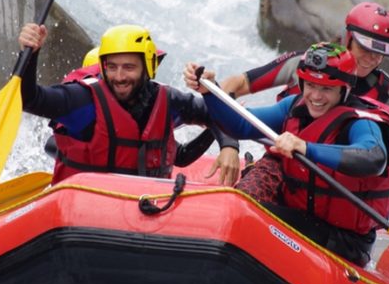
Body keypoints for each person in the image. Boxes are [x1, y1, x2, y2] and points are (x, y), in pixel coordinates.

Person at [186, 42, 389, 267]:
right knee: (241, 208)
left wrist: (307, 148)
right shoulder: (294, 106)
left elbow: (373, 158)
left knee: (246, 217)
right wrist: (210, 92)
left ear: (344, 89)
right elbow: (240, 125)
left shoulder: (361, 121)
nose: (316, 96)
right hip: (303, 216)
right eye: (310, 85)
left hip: (344, 240)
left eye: (326, 88)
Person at [182, 2, 389, 196]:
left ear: (344, 90)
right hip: (283, 163)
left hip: (340, 179)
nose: (372, 58)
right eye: (365, 48)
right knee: (247, 199)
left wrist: (337, 158)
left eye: (380, 53)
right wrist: (228, 143)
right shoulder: (304, 67)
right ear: (348, 39)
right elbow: (237, 105)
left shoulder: (380, 102)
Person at [18, 22, 240, 185]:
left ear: (147, 68)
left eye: (129, 67)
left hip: (147, 212)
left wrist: (229, 145)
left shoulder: (166, 100)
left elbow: (217, 112)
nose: (119, 76)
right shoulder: (83, 99)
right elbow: (29, 99)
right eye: (112, 67)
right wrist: (30, 55)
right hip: (85, 214)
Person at [45, 45, 236, 170]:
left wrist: (221, 135)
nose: (120, 80)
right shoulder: (84, 112)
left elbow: (181, 156)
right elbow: (53, 144)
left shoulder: (153, 105)